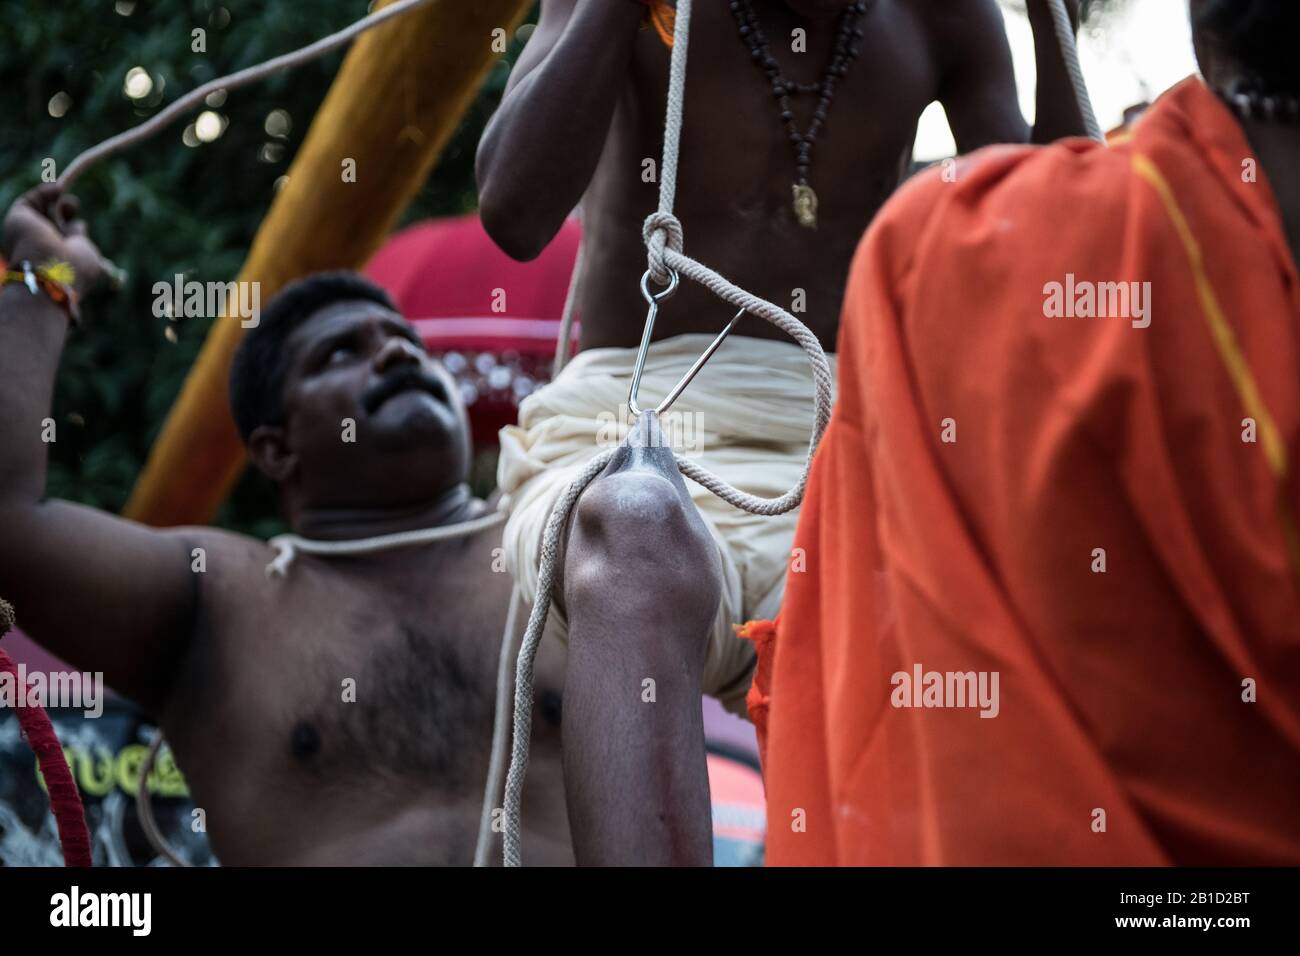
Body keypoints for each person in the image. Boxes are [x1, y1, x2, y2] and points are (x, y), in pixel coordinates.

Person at [476, 0, 1088, 865]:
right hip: (628, 419)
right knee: (639, 525)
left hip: (849, 442)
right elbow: (512, 212)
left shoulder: (950, 17)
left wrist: (1050, 22)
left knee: (1038, 578)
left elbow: (1052, 259)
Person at [759, 0, 1300, 864]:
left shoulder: (951, 247)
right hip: (671, 401)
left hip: (818, 397)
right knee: (635, 536)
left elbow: (1048, 180)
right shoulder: (996, 249)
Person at [0, 187, 573, 865]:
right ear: (276, 447)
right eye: (340, 353)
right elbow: (11, 522)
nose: (396, 356)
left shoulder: (561, 541)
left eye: (404, 341)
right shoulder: (218, 598)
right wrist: (43, 279)